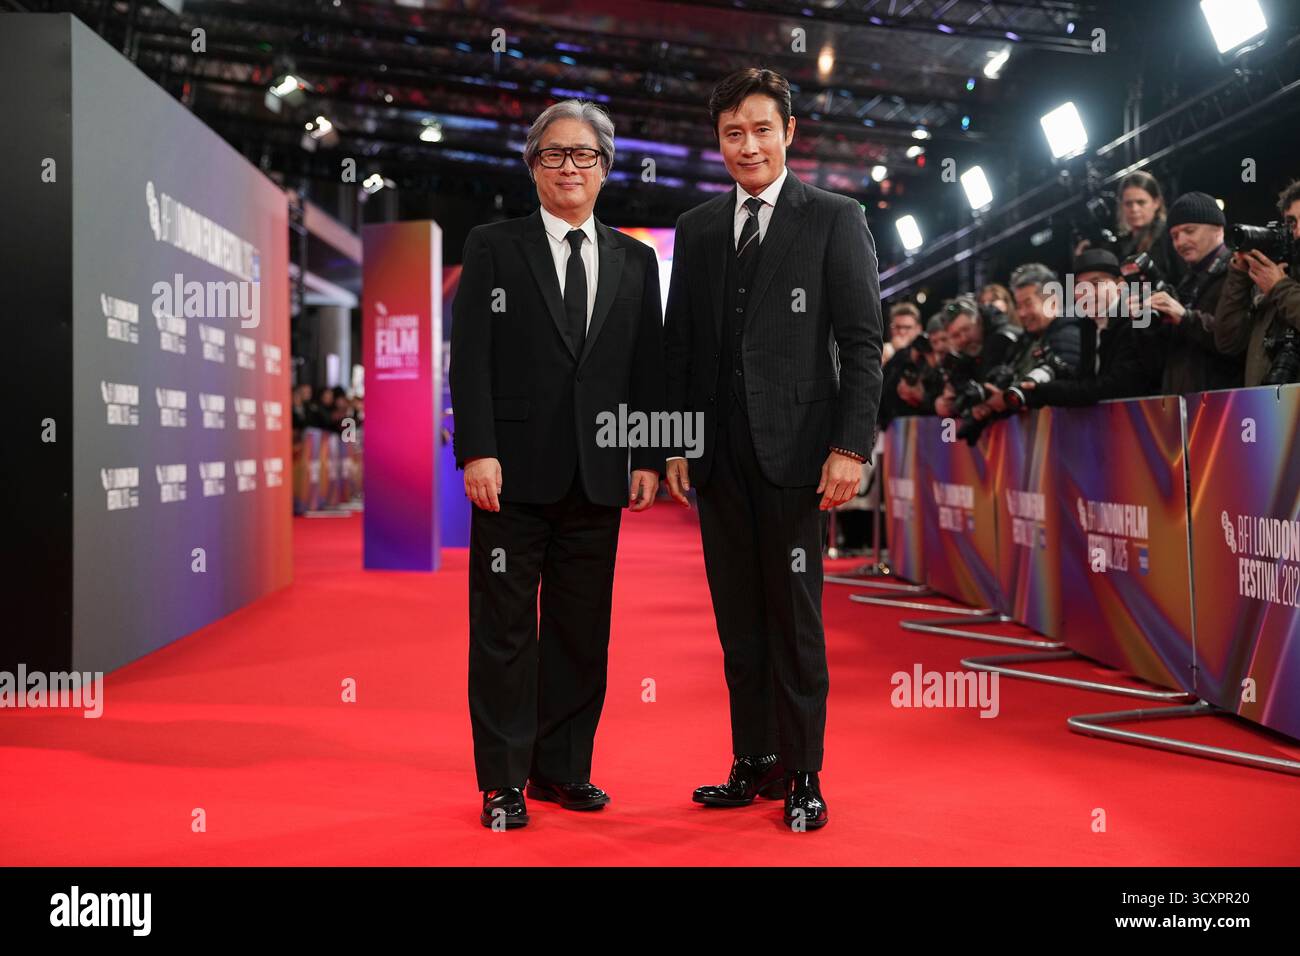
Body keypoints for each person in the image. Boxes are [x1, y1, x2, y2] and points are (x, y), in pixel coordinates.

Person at [663, 67, 883, 831]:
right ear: (717, 141)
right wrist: (676, 441)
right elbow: (682, 347)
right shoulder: (694, 229)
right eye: (732, 133)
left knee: (794, 618)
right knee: (738, 619)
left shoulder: (834, 217)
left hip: (797, 456)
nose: (747, 145)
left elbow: (862, 343)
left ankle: (804, 771)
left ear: (789, 132)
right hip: (718, 458)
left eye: (761, 129)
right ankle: (752, 761)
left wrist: (851, 445)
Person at [449, 99, 667, 830]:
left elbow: (648, 367)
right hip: (507, 476)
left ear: (606, 168)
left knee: (582, 630)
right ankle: (503, 779)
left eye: (584, 156)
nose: (569, 168)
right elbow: (470, 358)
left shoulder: (637, 261)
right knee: (505, 630)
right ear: (533, 166)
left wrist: (645, 453)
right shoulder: (492, 246)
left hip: (600, 474)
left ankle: (563, 769)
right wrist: (476, 449)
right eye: (554, 155)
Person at [1128, 191, 1241, 394]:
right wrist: (1143, 322)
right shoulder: (1185, 284)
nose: (1180, 242)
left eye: (1189, 231)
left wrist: (1185, 317)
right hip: (1182, 408)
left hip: (1229, 409)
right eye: (1174, 236)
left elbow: (1236, 342)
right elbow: (1156, 364)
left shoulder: (1241, 273)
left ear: (1218, 229)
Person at [1019, 249, 1163, 407]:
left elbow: (1115, 387)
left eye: (1095, 284)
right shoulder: (1088, 325)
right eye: (1080, 286)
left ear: (1119, 285)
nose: (1086, 293)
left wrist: (1045, 392)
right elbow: (1087, 381)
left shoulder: (1138, 318)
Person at [1214, 180, 1300, 386]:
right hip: (1264, 410)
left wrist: (1280, 288)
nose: (1298, 232)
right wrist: (1239, 276)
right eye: (1292, 222)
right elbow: (1228, 341)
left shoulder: (1278, 286)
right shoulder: (1275, 281)